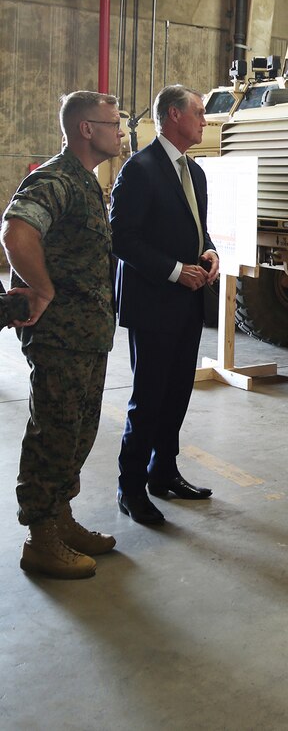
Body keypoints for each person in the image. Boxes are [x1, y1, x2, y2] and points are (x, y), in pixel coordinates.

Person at [1, 90, 123, 578]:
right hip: (60, 337)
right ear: (86, 129)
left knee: (78, 432)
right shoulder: (56, 179)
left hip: (88, 335)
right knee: (53, 432)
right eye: (113, 124)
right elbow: (16, 233)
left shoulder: (86, 181)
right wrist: (42, 288)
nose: (121, 132)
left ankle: (61, 517)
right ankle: (41, 537)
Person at [110, 84, 219, 525]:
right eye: (199, 112)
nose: (205, 121)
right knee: (148, 399)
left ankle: (163, 473)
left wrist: (209, 252)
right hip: (154, 302)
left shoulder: (196, 172)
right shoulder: (140, 169)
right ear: (174, 115)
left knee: (176, 395)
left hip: (187, 303)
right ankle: (131, 488)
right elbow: (122, 238)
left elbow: (198, 230)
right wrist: (175, 270)